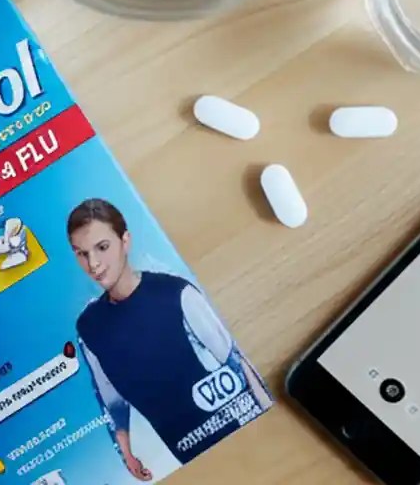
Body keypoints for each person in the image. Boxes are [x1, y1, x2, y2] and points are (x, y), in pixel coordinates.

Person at [68, 198, 273, 481]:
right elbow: (112, 402)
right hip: (187, 460)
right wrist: (127, 456)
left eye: (102, 248)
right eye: (81, 253)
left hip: (240, 433)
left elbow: (236, 361)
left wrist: (269, 418)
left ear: (125, 241)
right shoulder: (89, 327)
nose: (93, 264)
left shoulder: (176, 294)